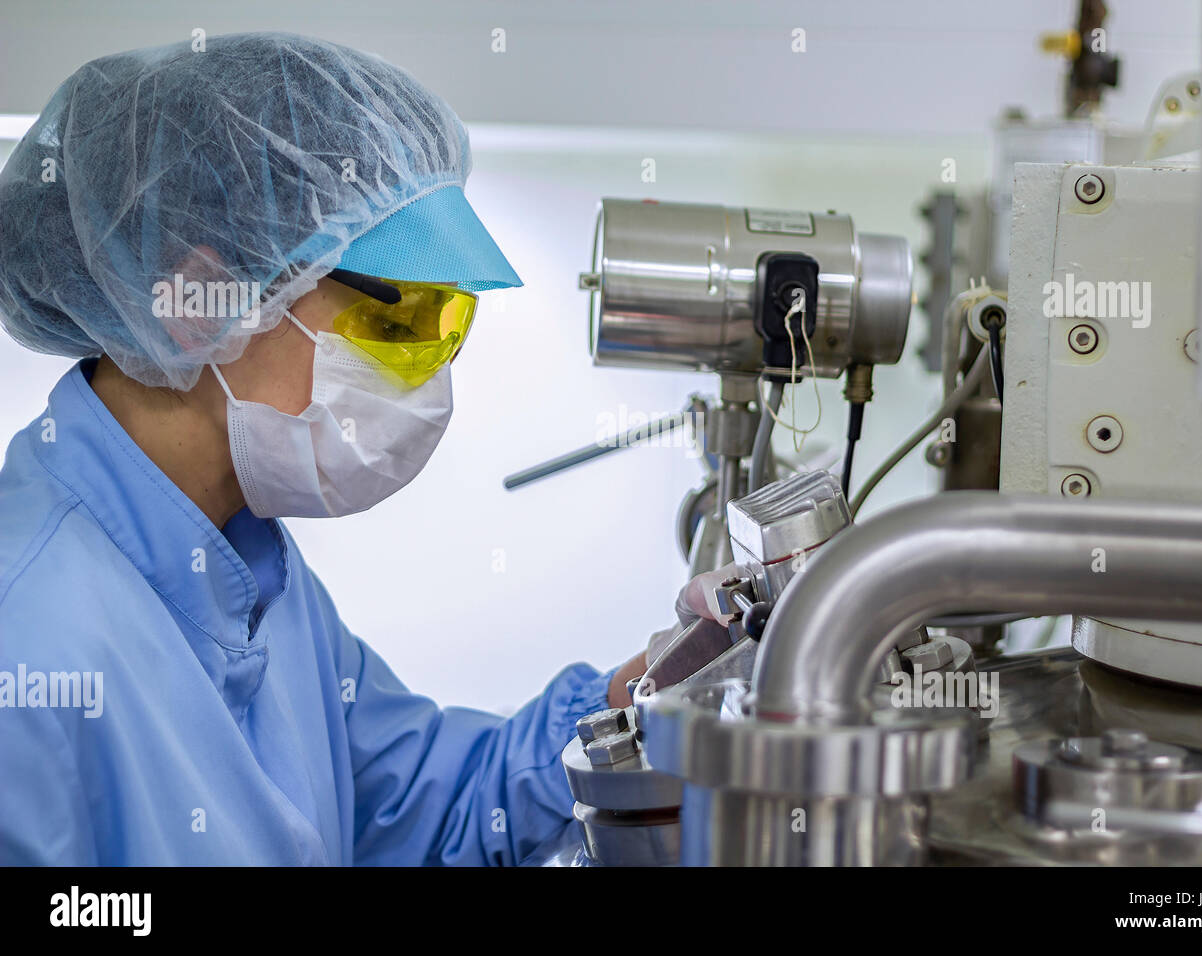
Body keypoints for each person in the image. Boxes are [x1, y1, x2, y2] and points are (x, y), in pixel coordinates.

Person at [0, 33, 724, 865]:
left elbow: (430, 810)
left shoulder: (247, 571)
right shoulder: (29, 638)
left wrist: (655, 694)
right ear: (200, 302)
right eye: (395, 323)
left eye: (445, 328)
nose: (428, 380)